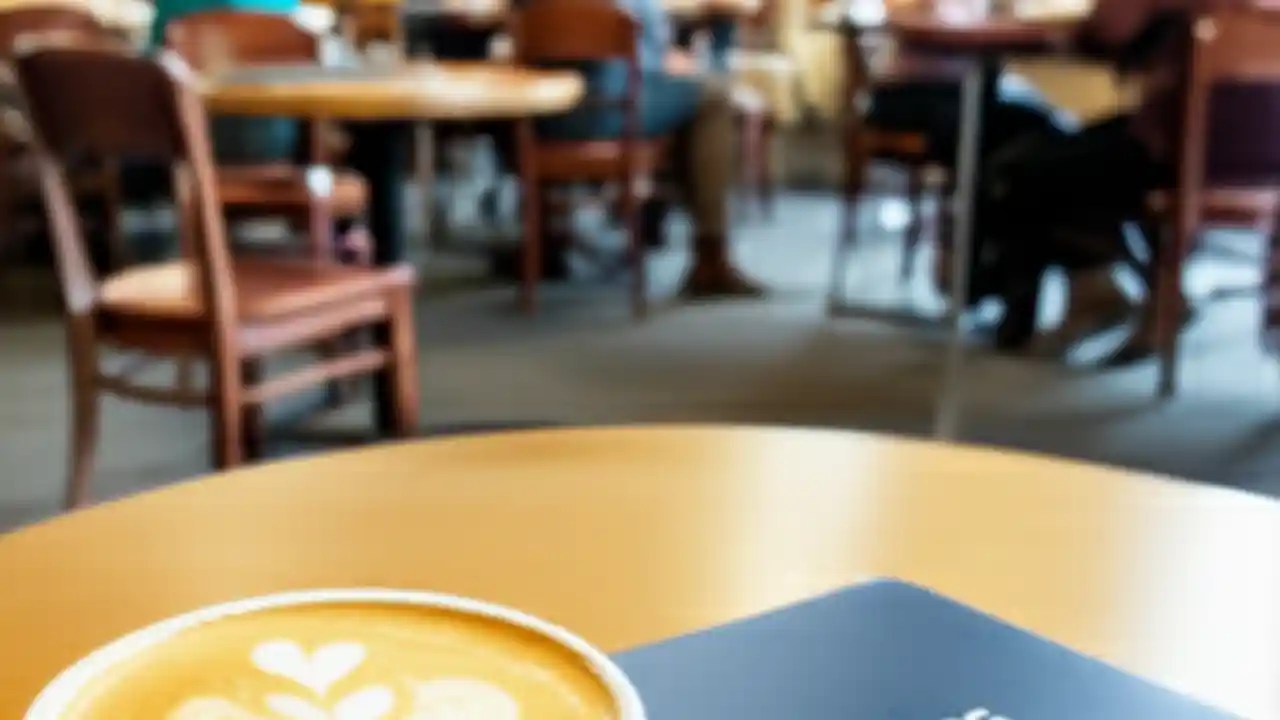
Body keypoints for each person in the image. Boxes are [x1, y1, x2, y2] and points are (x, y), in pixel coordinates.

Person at [979, 0, 1259, 357]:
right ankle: (1157, 292)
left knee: (1023, 166)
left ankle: (1095, 287)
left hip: (1175, 145)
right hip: (1256, 153)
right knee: (1073, 151)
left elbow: (1110, 27)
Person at [536, 0, 761, 297]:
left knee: (692, 91)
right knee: (714, 96)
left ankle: (553, 236)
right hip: (611, 112)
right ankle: (710, 254)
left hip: (541, 117)